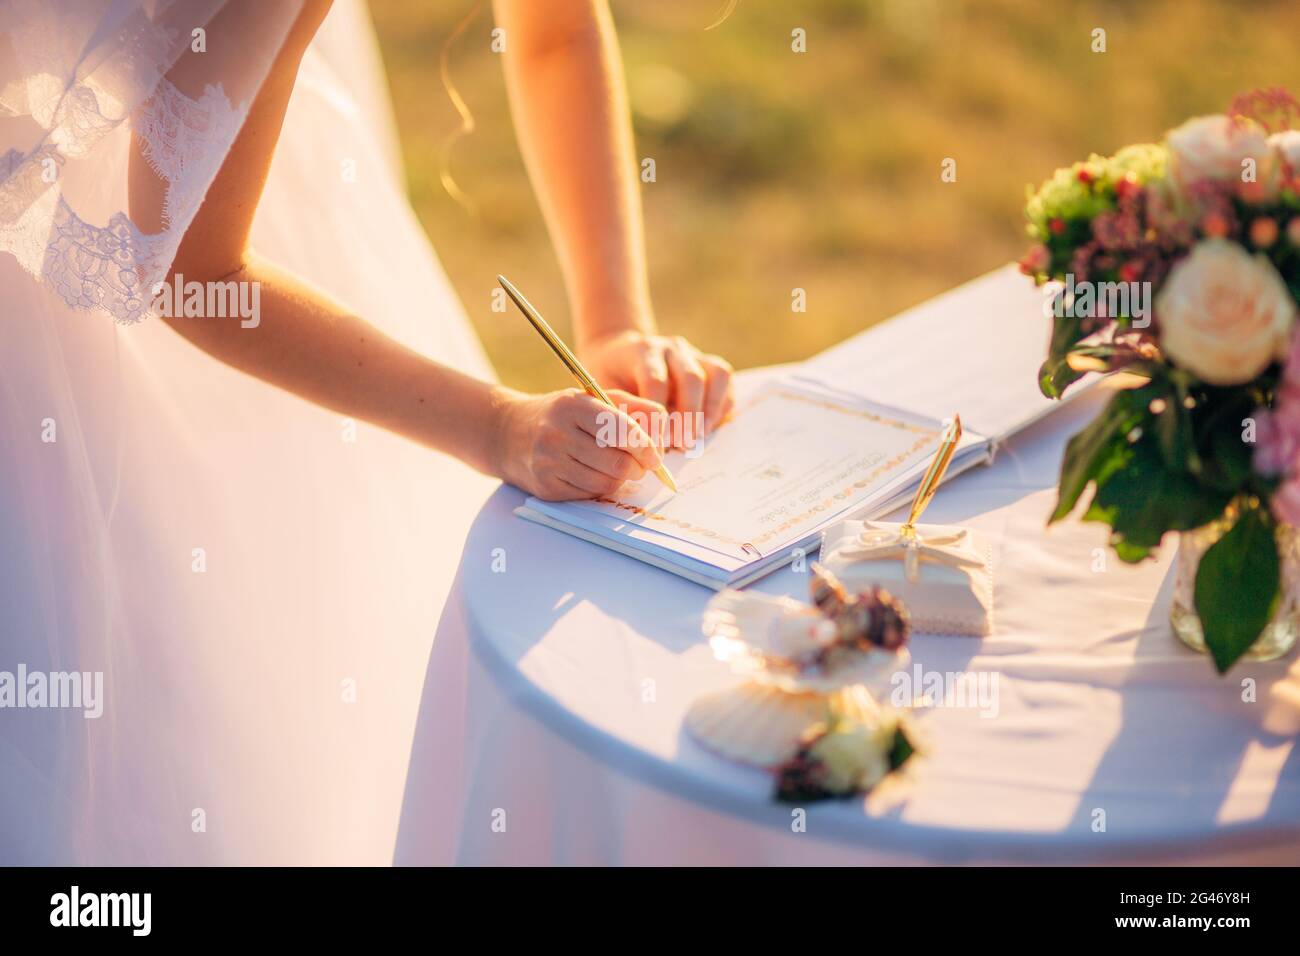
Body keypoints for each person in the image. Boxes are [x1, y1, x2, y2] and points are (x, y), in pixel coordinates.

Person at [0, 0, 729, 863]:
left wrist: (612, 322)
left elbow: (555, 30)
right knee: (145, 721)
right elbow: (192, 274)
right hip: (65, 278)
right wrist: (494, 424)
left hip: (240, 125)